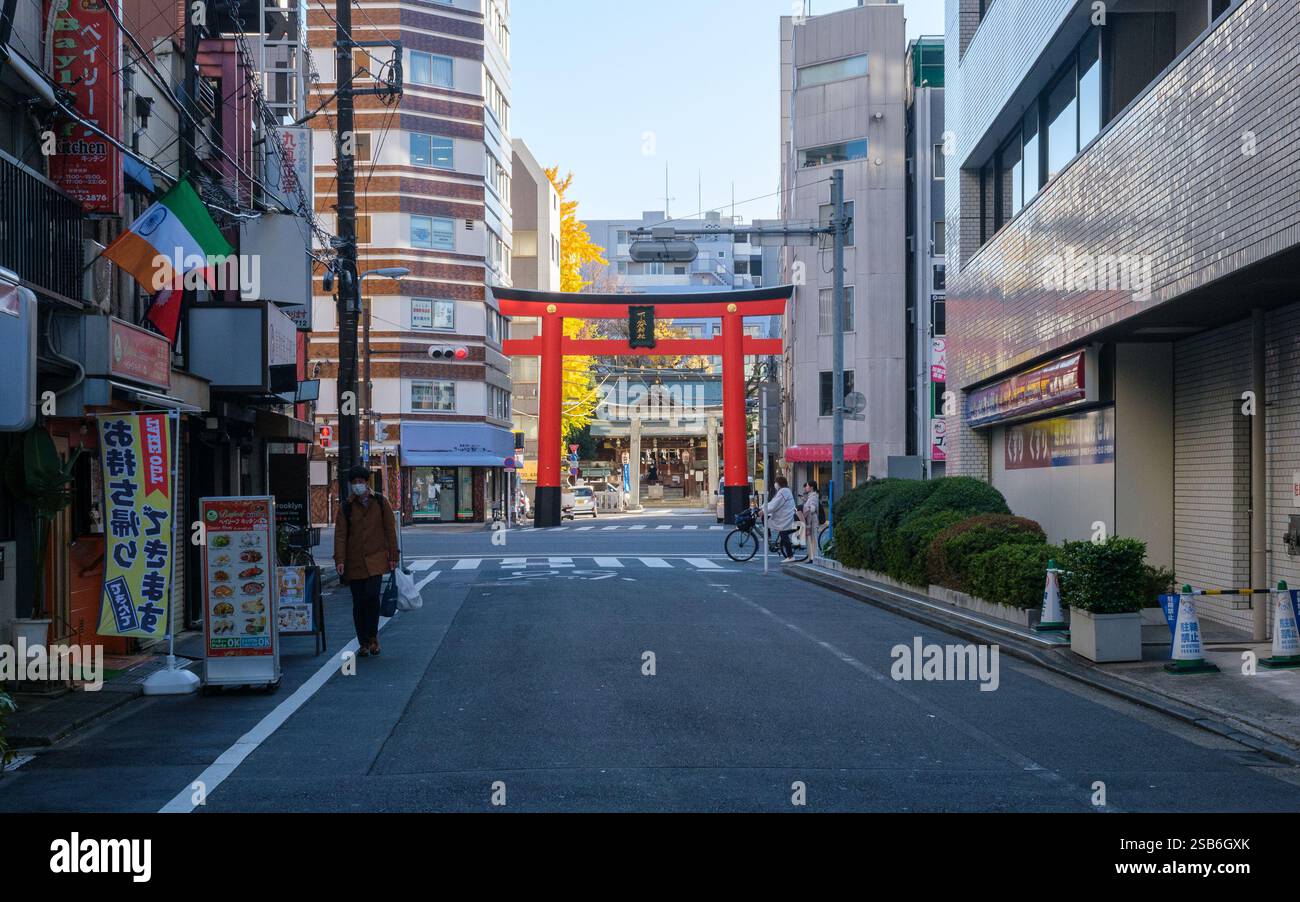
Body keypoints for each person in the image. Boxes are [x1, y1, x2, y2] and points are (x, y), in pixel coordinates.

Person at [334, 466, 398, 658]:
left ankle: (373, 637)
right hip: (354, 561)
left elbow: (390, 530)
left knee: (371, 598)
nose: (357, 486)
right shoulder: (346, 506)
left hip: (376, 559)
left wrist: (393, 556)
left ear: (366, 482)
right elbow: (340, 535)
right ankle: (363, 642)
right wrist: (340, 559)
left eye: (360, 482)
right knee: (358, 602)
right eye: (354, 483)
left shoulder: (380, 501)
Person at [763, 475, 798, 560]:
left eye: (776, 482)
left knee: (783, 533)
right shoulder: (783, 491)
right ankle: (769, 537)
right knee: (781, 532)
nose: (775, 484)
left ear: (779, 483)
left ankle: (790, 556)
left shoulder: (783, 491)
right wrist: (762, 508)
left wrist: (763, 510)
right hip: (784, 517)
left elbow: (774, 504)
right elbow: (773, 502)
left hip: (787, 518)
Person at [799, 480, 821, 561]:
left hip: (812, 520)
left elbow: (813, 508)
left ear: (811, 487)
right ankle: (810, 556)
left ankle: (814, 557)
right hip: (809, 520)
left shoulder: (814, 496)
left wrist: (806, 508)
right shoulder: (811, 496)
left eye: (807, 486)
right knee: (809, 539)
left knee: (813, 538)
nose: (806, 487)